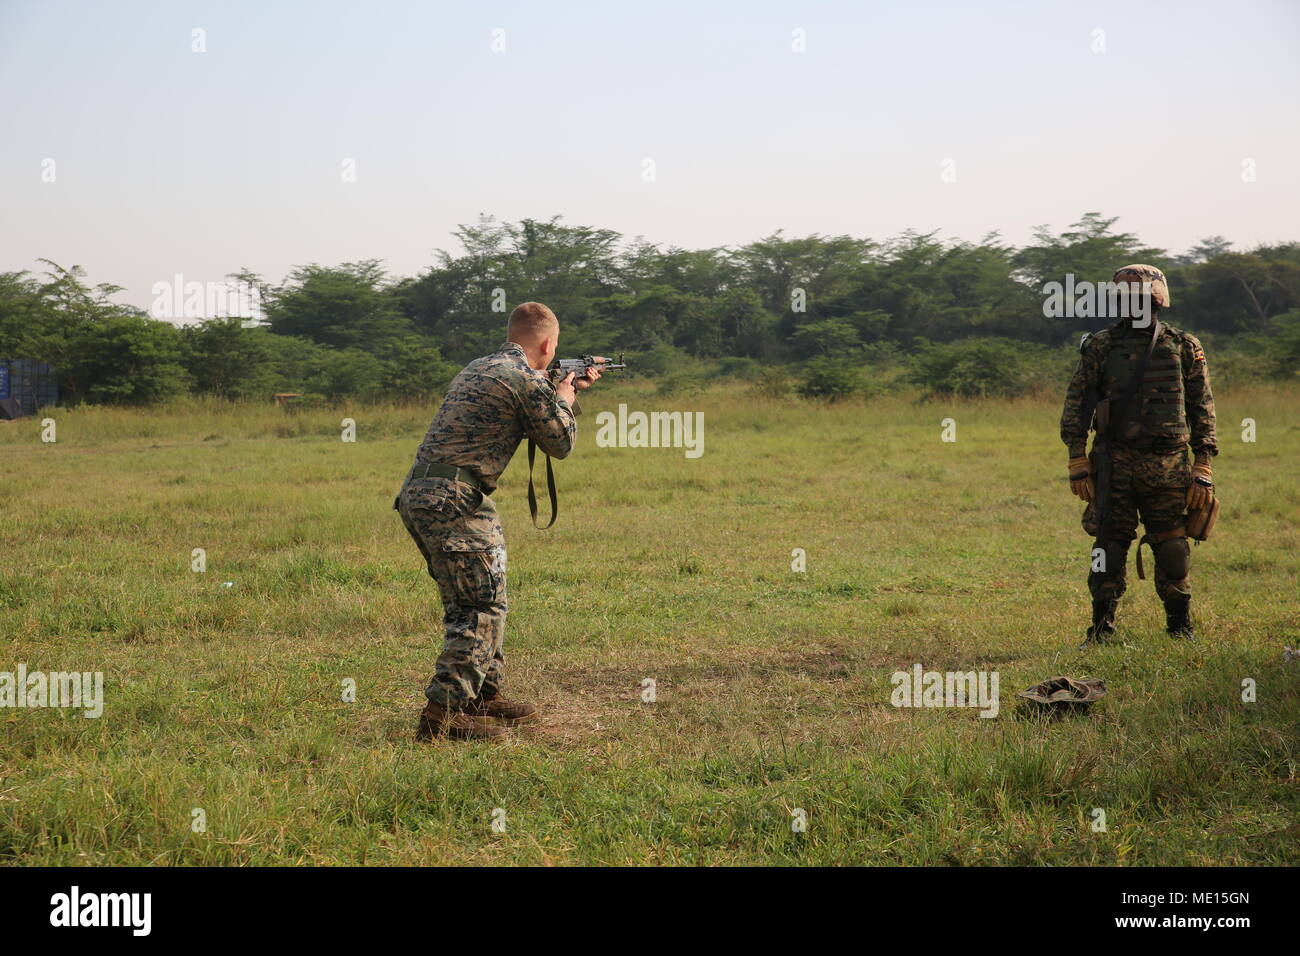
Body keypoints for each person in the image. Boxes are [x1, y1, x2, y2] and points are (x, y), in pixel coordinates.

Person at [396, 301, 603, 740]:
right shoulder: (527, 379)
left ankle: (483, 696)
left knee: (474, 598)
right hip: (455, 498)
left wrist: (560, 389)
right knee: (480, 606)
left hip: (427, 493)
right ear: (548, 344)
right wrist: (566, 395)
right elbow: (559, 442)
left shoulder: (483, 365)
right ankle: (442, 717)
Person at [1060, 264, 1217, 645]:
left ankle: (1180, 629)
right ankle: (1100, 630)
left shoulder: (1183, 345)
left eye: (1140, 297)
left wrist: (1204, 465)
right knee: (1108, 549)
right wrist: (1077, 459)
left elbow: (1202, 407)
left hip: (1170, 466)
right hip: (1114, 465)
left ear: (1157, 298)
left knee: (1173, 548)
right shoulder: (1100, 346)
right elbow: (1078, 403)